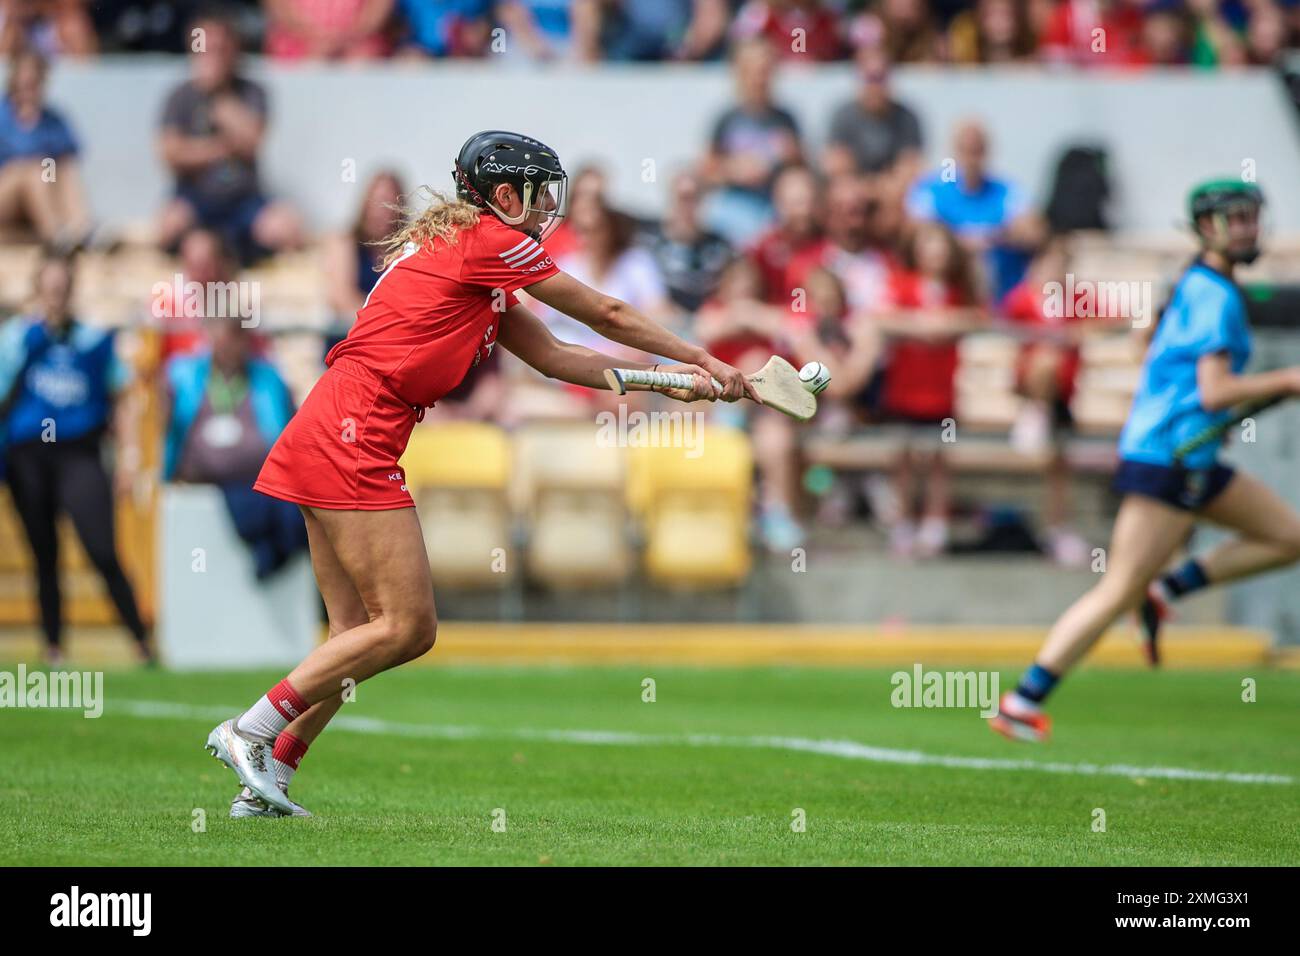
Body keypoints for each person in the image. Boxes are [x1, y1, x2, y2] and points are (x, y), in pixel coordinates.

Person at [203, 130, 756, 817]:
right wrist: (704, 357)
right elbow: (605, 312)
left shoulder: (474, 261)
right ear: (502, 196)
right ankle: (251, 730)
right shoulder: (491, 243)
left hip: (329, 429)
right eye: (539, 190)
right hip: (353, 439)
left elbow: (558, 357)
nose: (550, 203)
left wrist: (671, 381)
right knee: (408, 626)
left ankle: (273, 780)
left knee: (354, 637)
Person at [991, 179, 1300, 742]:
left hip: (1194, 457)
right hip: (1170, 459)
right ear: (1208, 228)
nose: (1250, 228)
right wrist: (1287, 378)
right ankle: (1021, 700)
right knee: (1118, 588)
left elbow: (1153, 349)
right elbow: (1213, 392)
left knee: (1288, 536)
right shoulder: (1215, 294)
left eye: (1253, 217)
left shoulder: (1195, 281)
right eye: (1237, 218)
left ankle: (1167, 591)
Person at [0, 255, 150, 665]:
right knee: (43, 554)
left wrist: (127, 459)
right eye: (48, 289)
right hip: (28, 458)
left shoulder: (94, 341)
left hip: (79, 455)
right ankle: (54, 647)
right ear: (37, 291)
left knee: (102, 548)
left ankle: (141, 641)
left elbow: (121, 399)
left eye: (61, 289)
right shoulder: (17, 338)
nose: (55, 298)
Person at [156, 9, 304, 264]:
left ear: (233, 49)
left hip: (245, 200)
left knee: (287, 229)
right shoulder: (180, 95)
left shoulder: (253, 92)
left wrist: (218, 95)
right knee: (166, 228)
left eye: (220, 48)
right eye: (206, 48)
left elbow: (251, 142)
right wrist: (222, 148)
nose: (213, 56)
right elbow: (171, 154)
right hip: (195, 198)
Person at [0, 48, 92, 249]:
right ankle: (55, 235)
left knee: (60, 168)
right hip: (6, 193)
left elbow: (64, 161)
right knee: (34, 170)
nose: (28, 90)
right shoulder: (3, 116)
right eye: (24, 83)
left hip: (41, 188)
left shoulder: (52, 120)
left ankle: (81, 229)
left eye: (33, 84)